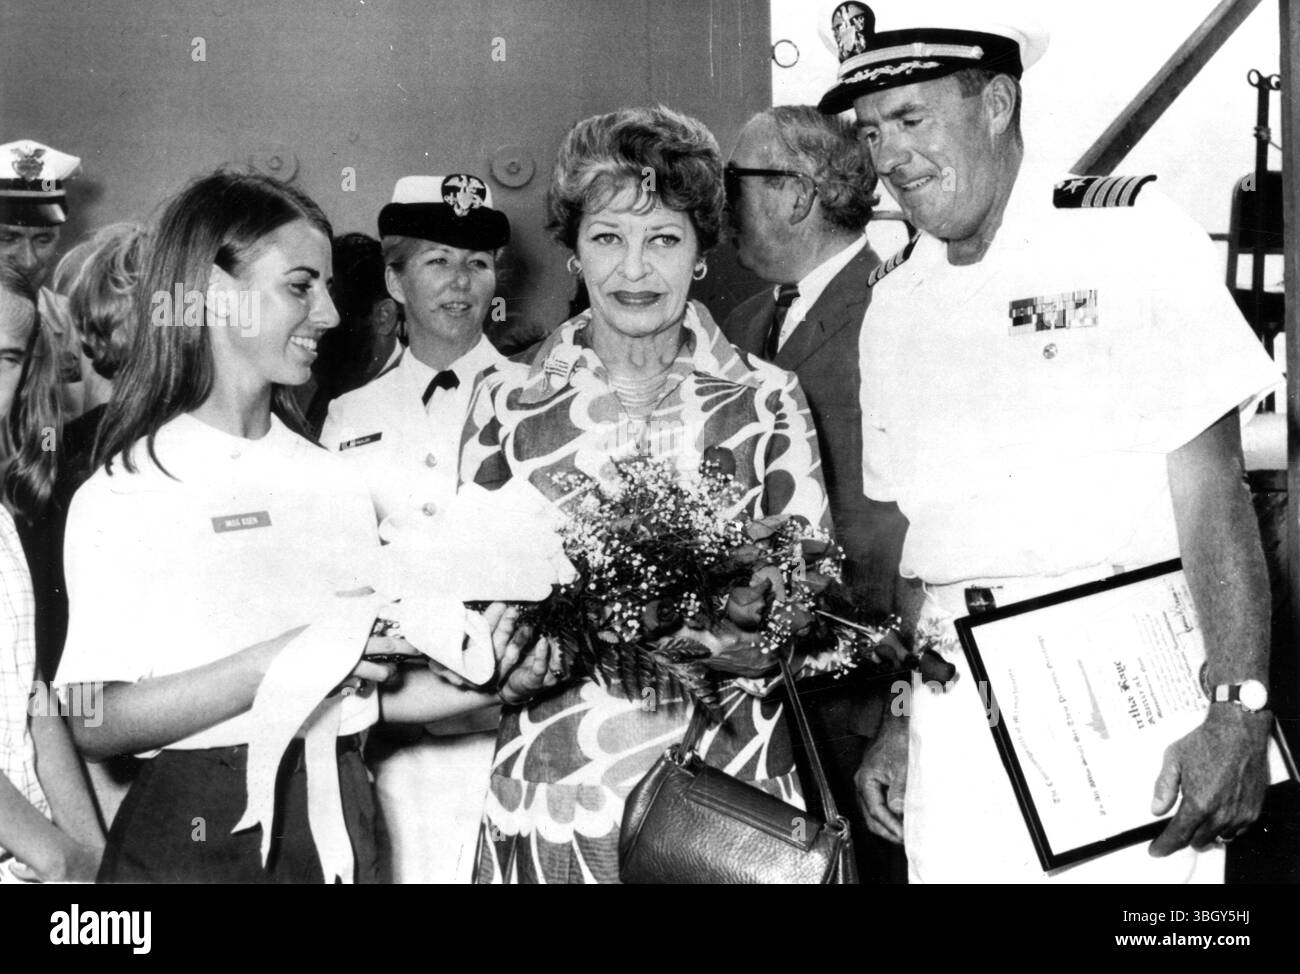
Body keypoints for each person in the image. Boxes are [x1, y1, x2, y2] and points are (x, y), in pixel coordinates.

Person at [823, 2, 1282, 882]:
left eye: (913, 119)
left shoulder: (1128, 240)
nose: (890, 159)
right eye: (871, 133)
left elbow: (1213, 496)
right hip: (959, 699)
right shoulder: (895, 304)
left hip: (1120, 691)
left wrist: (1236, 709)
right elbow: (926, 543)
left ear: (996, 104)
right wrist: (905, 717)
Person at [52, 169, 553, 883]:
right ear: (216, 294)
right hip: (200, 831)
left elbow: (364, 696)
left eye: (325, 288)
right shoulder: (130, 487)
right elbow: (93, 719)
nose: (327, 313)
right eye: (299, 286)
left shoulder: (332, 475)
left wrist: (494, 680)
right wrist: (280, 660)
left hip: (339, 816)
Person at [461, 106, 833, 884]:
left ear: (701, 250)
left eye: (663, 238)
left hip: (728, 806)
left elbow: (812, 603)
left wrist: (724, 633)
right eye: (607, 238)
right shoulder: (504, 401)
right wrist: (506, 664)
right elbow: (467, 610)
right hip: (556, 790)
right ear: (573, 252)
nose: (635, 270)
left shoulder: (767, 398)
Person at [722, 104, 911, 882]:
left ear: (796, 193)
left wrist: (903, 712)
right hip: (760, 709)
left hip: (864, 711)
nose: (720, 202)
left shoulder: (900, 311)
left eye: (735, 181)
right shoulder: (738, 323)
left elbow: (918, 525)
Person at [319, 174, 511, 884]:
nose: (461, 282)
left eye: (478, 262)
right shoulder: (347, 414)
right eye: (437, 261)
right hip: (395, 737)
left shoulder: (545, 395)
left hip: (511, 729)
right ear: (395, 281)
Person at [0, 262, 104, 883]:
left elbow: (32, 693)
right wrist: (61, 858)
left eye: (7, 358)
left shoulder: (5, 511)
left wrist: (94, 854)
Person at [0, 140, 90, 417]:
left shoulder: (74, 323)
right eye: (7, 238)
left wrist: (48, 453)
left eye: (43, 239)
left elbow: (56, 434)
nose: (28, 260)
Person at [302, 232, 401, 436]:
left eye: (336, 317)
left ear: (384, 317)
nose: (316, 334)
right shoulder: (306, 385)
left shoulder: (416, 407)